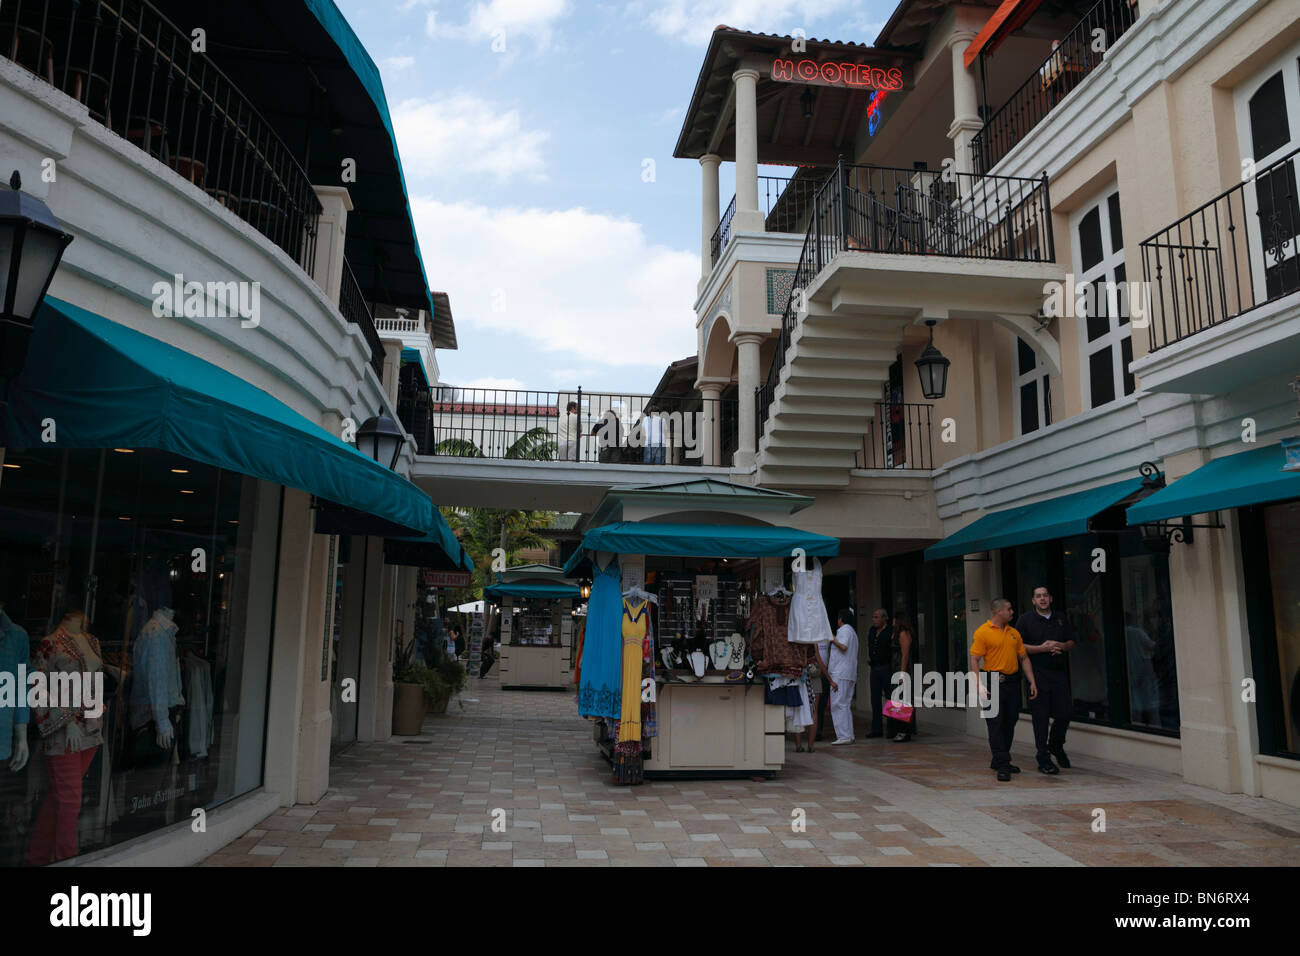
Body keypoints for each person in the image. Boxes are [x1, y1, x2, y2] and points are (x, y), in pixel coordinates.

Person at [970, 598, 1037, 782]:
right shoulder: (983, 632)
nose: (1012, 612)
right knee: (995, 723)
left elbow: (1023, 658)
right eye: (1009, 609)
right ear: (998, 611)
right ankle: (1002, 763)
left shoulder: (1014, 633)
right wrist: (979, 684)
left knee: (1010, 721)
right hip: (991, 681)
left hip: (1012, 683)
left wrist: (1032, 681)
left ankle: (1000, 757)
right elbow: (975, 659)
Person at [1015, 586, 1075, 773]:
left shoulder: (1060, 618)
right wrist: (1042, 648)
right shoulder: (1025, 620)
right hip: (1037, 674)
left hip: (1059, 673)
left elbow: (1071, 642)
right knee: (1040, 717)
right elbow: (1018, 646)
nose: (1042, 599)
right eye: (1038, 596)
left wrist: (1061, 646)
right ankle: (1043, 758)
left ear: (1050, 598)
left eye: (1045, 596)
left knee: (1065, 713)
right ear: (1033, 600)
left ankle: (1056, 744)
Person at [828, 608, 859, 745]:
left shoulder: (845, 630)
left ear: (841, 619)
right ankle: (848, 734)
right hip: (849, 672)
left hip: (840, 673)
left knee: (837, 704)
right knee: (845, 704)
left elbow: (843, 646)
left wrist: (832, 638)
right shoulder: (852, 632)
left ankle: (843, 735)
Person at [864, 608, 893, 738]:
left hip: (886, 667)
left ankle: (893, 729)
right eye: (873, 617)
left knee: (890, 698)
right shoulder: (872, 631)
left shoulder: (890, 631)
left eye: (877, 617)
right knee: (875, 699)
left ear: (884, 618)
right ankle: (877, 729)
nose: (874, 620)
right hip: (875, 668)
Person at [890, 615, 917, 742]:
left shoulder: (904, 634)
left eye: (894, 620)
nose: (892, 622)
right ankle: (899, 730)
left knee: (903, 700)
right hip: (895, 668)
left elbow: (905, 655)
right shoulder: (896, 633)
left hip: (902, 670)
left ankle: (905, 731)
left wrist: (902, 673)